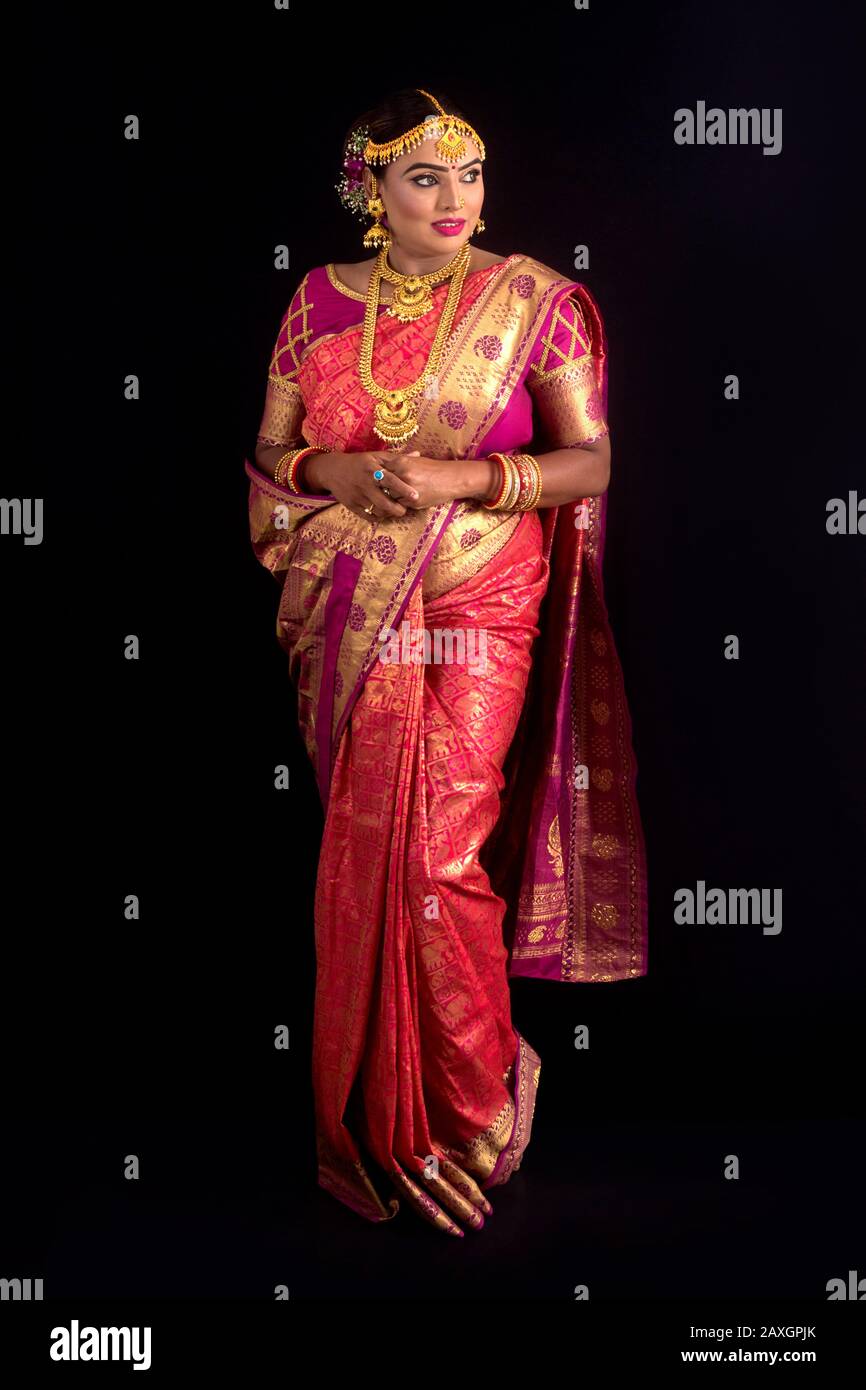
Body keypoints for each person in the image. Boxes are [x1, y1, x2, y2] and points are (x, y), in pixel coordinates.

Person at [245, 87, 648, 1238]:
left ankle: (466, 1103)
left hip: (481, 594)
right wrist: (337, 473)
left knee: (437, 846)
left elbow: (590, 461)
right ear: (367, 192)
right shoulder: (314, 301)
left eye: (468, 176)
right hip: (343, 605)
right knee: (372, 844)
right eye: (424, 178)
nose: (454, 200)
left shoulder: (535, 302)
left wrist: (461, 482)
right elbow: (271, 458)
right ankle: (397, 1110)